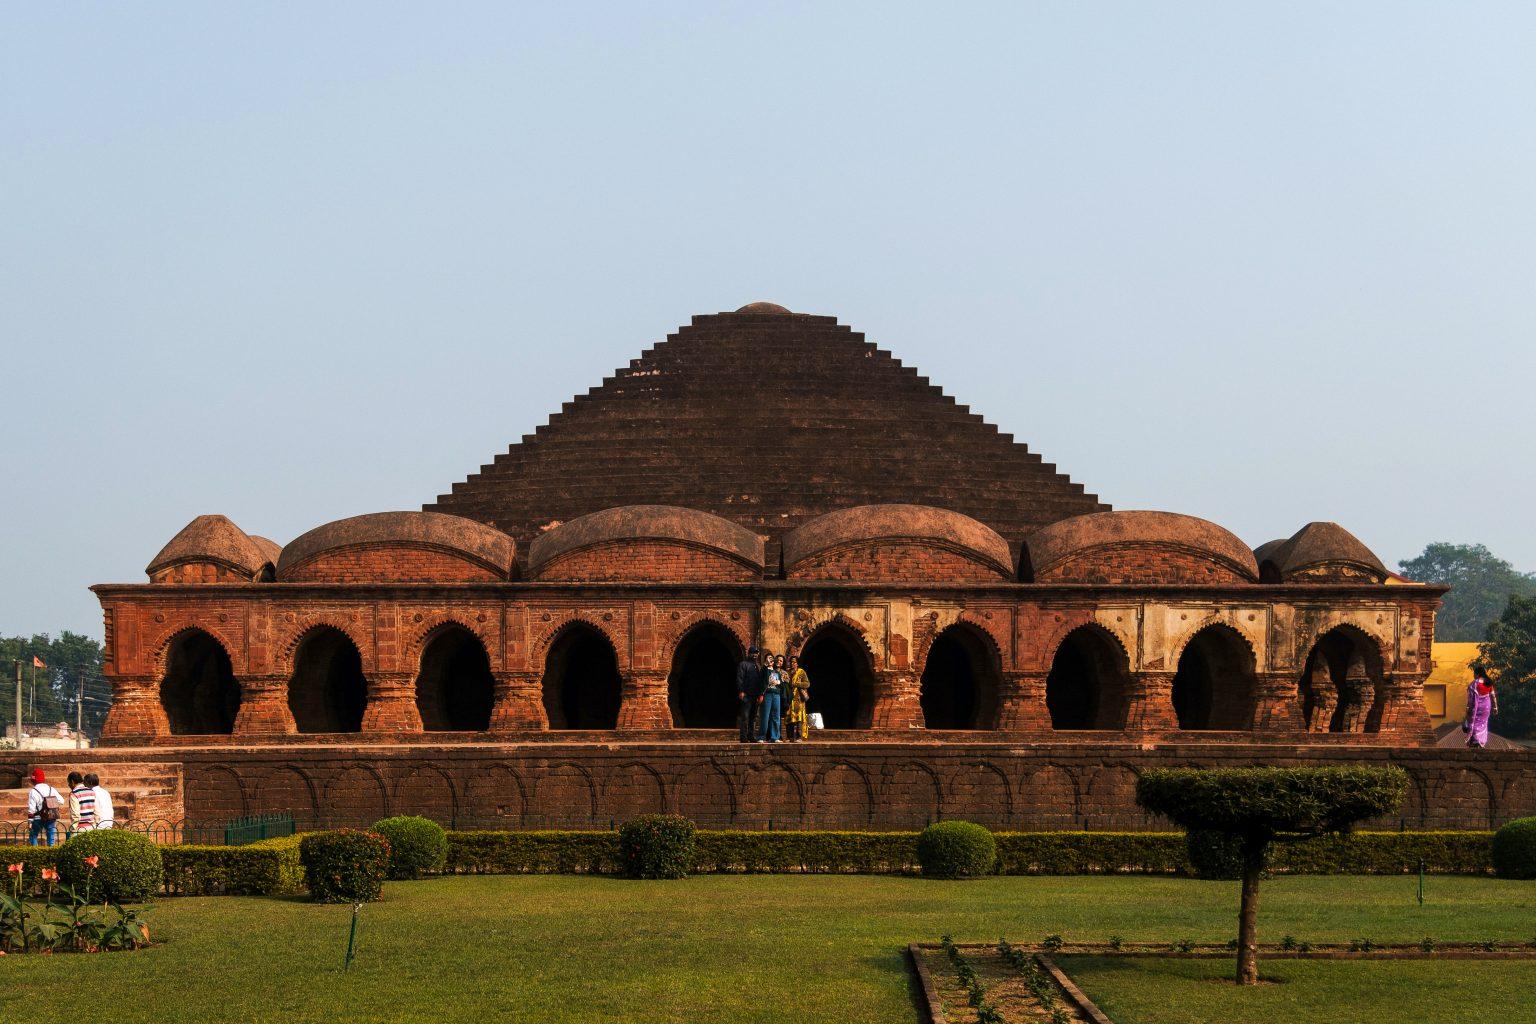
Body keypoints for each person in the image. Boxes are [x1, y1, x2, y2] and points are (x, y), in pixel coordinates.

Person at [25, 769, 63, 847]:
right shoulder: (51, 789)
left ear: (33, 780)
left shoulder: (33, 791)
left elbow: (31, 809)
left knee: (33, 836)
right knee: (51, 838)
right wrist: (50, 804)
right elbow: (61, 801)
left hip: (38, 817)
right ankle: (51, 854)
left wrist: (30, 822)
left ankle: (35, 853)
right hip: (51, 816)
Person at [1463, 666, 1499, 749]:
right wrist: (1495, 708)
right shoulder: (1489, 682)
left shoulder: (1474, 683)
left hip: (1476, 706)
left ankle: (1476, 741)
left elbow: (1470, 698)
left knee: (1474, 723)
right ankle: (1481, 741)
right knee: (1483, 724)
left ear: (1478, 674)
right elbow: (1493, 696)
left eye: (1474, 674)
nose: (1473, 676)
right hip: (1486, 707)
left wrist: (1468, 708)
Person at [736, 646, 764, 742]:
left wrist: (761, 694)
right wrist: (741, 691)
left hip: (755, 695)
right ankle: (743, 737)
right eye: (753, 653)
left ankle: (751, 736)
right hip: (747, 695)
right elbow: (740, 678)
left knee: (753, 717)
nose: (755, 655)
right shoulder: (743, 664)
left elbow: (760, 681)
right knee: (745, 717)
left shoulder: (758, 666)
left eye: (756, 653)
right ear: (749, 654)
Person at [784, 654, 810, 741]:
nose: (792, 664)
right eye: (791, 662)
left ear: (797, 663)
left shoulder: (801, 672)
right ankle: (789, 737)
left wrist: (797, 684)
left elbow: (807, 683)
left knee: (798, 718)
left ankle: (799, 737)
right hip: (789, 698)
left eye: (794, 662)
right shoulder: (787, 672)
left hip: (798, 699)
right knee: (788, 717)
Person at [758, 652, 783, 743]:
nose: (770, 660)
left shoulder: (776, 671)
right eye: (768, 658)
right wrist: (766, 665)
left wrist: (779, 683)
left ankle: (775, 737)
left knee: (776, 716)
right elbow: (760, 678)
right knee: (765, 716)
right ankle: (761, 737)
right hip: (767, 694)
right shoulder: (764, 670)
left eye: (771, 658)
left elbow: (781, 684)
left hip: (776, 695)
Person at [68, 770, 96, 834]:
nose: (68, 785)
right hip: (92, 826)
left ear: (72, 782)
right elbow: (96, 810)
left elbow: (75, 814)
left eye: (69, 783)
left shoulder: (74, 794)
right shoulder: (91, 791)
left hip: (80, 828)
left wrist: (73, 828)